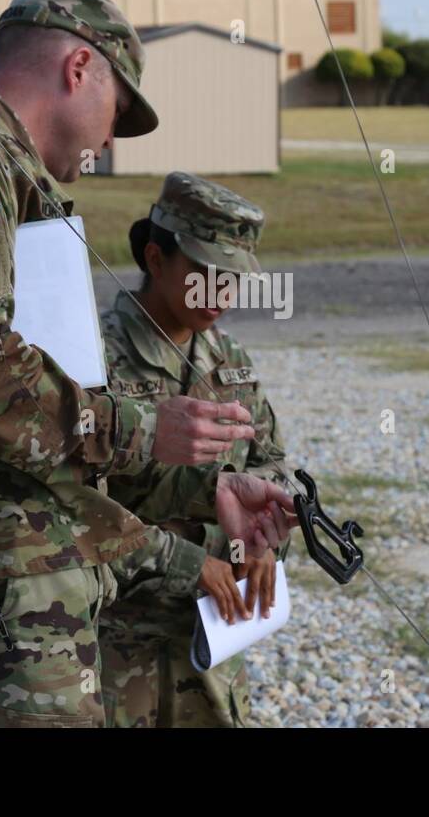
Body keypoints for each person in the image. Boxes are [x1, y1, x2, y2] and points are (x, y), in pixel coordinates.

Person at [0, 0, 294, 727]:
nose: (110, 139)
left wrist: (205, 493)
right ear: (79, 68)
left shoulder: (6, 174)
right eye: (118, 110)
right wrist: (144, 430)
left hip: (18, 581)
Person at [98, 172, 289, 728]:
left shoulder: (229, 359)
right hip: (113, 648)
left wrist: (267, 536)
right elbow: (74, 512)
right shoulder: (92, 359)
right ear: (156, 259)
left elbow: (274, 463)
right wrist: (189, 561)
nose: (220, 297)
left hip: (212, 645)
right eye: (205, 275)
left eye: (231, 281)